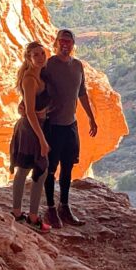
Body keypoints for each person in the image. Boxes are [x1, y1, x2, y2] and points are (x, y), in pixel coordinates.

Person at [38, 27, 99, 227]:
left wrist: (91, 117)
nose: (65, 44)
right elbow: (35, 88)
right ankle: (50, 210)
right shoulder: (48, 65)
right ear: (56, 43)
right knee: (50, 168)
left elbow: (82, 93)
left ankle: (64, 206)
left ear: (73, 45)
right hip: (53, 125)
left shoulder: (78, 66)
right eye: (62, 41)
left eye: (69, 42)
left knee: (68, 167)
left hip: (70, 125)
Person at [8, 42, 52, 230]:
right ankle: (31, 218)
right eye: (36, 55)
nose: (41, 57)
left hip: (34, 127)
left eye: (42, 53)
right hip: (30, 129)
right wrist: (42, 140)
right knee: (38, 169)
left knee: (28, 169)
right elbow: (31, 112)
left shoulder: (39, 74)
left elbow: (30, 106)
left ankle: (18, 213)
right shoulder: (30, 79)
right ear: (28, 58)